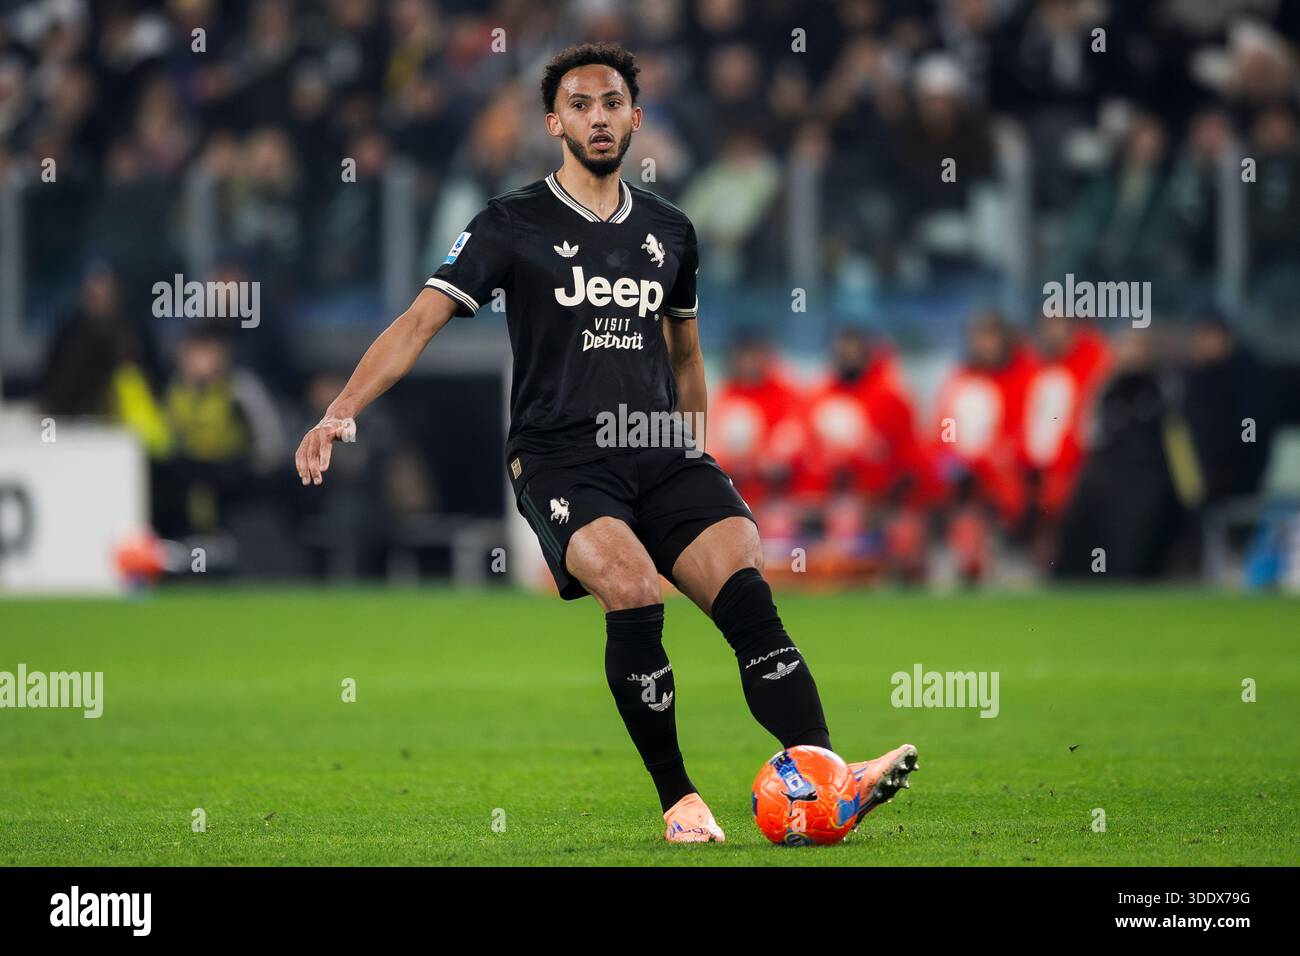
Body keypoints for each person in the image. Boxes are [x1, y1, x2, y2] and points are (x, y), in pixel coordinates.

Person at [293, 42, 916, 843]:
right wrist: (340, 408)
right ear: (554, 122)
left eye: (612, 103)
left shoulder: (670, 231)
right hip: (560, 457)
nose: (598, 118)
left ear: (635, 119)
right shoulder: (509, 223)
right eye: (581, 105)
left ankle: (829, 776)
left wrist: (696, 453)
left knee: (747, 589)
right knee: (634, 589)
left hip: (661, 450)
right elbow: (419, 321)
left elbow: (686, 354)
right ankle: (679, 799)